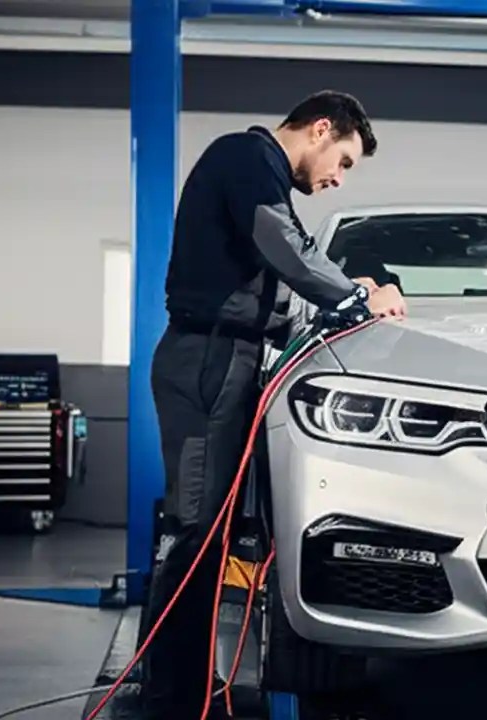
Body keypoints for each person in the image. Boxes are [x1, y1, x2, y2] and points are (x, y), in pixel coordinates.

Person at [140, 90, 406, 720]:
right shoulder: (246, 157)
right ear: (320, 129)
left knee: (210, 533)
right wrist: (358, 298)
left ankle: (186, 687)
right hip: (207, 360)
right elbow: (283, 244)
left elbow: (274, 287)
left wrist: (345, 294)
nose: (338, 178)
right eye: (343, 160)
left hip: (224, 358)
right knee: (197, 531)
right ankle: (171, 699)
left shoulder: (257, 171)